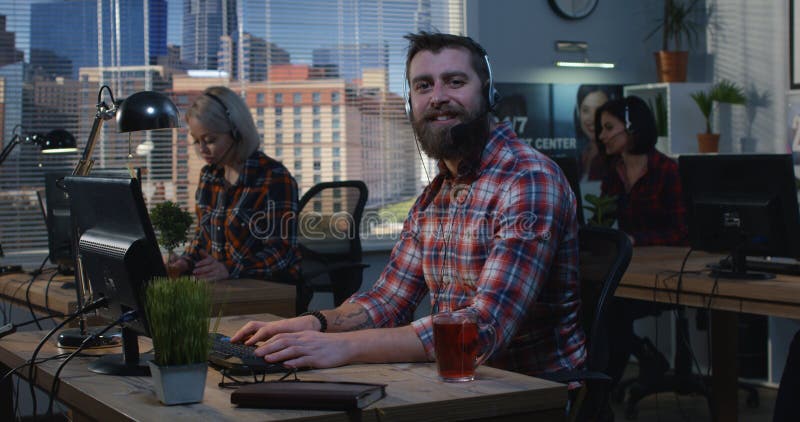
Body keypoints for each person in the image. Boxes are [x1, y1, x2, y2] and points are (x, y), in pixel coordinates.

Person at [231, 32, 586, 380]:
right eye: (423, 86)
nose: (438, 97)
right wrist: (314, 324)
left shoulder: (528, 180)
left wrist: (343, 347)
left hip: (534, 390)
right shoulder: (435, 196)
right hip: (460, 383)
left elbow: (482, 326)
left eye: (455, 82)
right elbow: (390, 299)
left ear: (488, 93)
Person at [594, 96, 688, 387]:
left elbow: (681, 233)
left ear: (632, 128)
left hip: (664, 275)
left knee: (612, 312)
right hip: (628, 271)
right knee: (596, 306)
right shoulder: (613, 173)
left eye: (609, 127)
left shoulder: (667, 171)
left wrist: (637, 239)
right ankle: (605, 385)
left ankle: (603, 392)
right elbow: (604, 222)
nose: (602, 136)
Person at [168, 86, 301, 283]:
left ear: (237, 133)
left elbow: (281, 252)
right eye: (196, 141)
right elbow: (202, 239)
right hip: (225, 287)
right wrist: (185, 262)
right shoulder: (209, 176)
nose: (202, 149)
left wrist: (229, 269)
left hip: (269, 289)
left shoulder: (274, 178)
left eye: (210, 140)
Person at [574, 85, 619, 181]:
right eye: (586, 110)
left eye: (599, 111)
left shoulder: (617, 157)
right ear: (578, 112)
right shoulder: (582, 155)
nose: (593, 118)